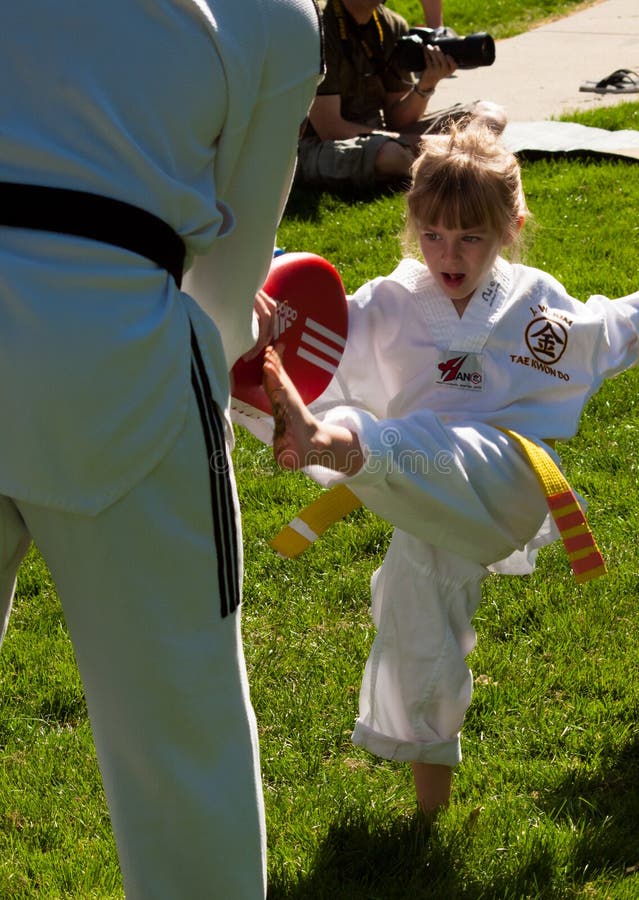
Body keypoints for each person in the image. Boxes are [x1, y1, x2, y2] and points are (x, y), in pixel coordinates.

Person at [258, 121, 639, 815]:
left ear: (511, 227)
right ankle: (428, 817)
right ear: (411, 224)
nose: (449, 255)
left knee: (411, 437)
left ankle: (338, 444)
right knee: (413, 619)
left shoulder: (531, 301)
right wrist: (267, 326)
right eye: (433, 236)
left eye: (470, 238)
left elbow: (606, 335)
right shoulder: (385, 305)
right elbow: (316, 348)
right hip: (417, 492)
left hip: (507, 477)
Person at [0, 2, 322, 898]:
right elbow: (231, 281)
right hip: (113, 365)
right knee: (181, 745)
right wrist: (210, 339)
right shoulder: (273, 17)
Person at [296, 0, 505, 189]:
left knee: (490, 115)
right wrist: (412, 141)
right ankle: (463, 165)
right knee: (392, 156)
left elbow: (399, 119)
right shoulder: (319, 26)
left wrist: (426, 84)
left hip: (380, 134)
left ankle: (455, 160)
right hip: (319, 146)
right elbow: (331, 128)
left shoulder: (391, 24)